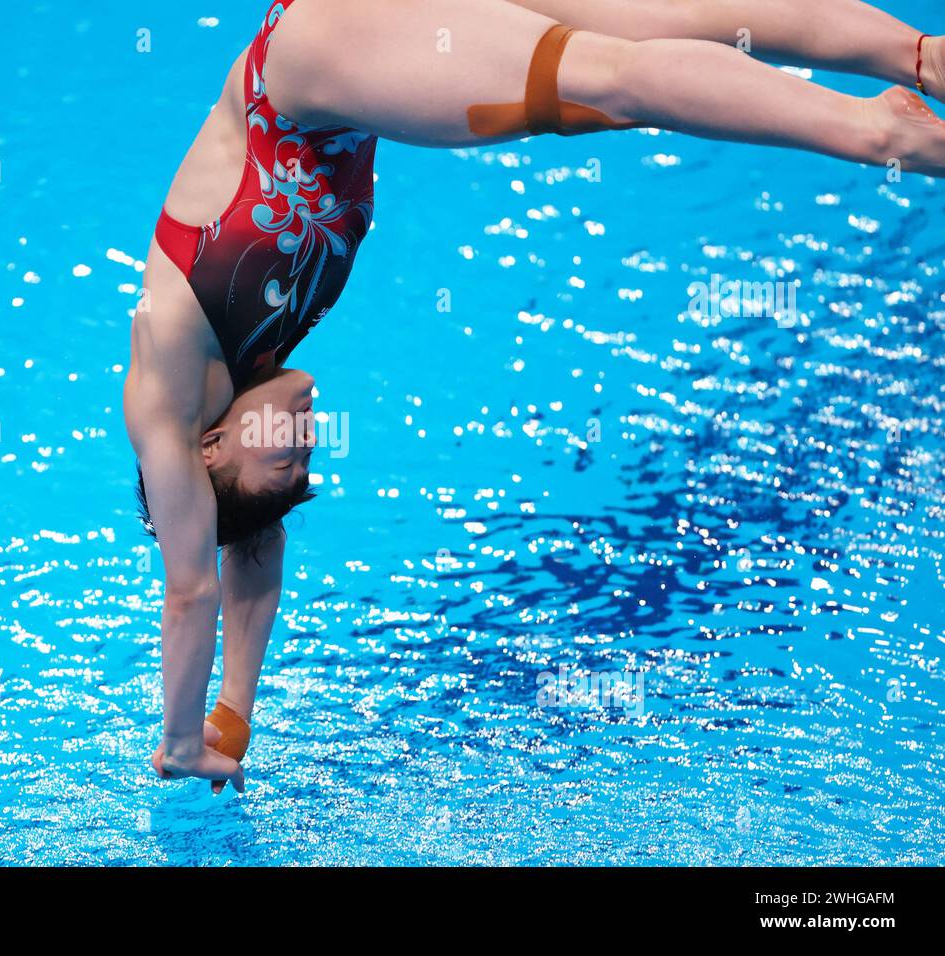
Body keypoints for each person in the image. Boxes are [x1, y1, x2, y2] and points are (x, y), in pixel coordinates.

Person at [122, 0, 945, 794]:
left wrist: (182, 740)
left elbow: (194, 586)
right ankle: (916, 56)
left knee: (615, 79)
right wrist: (236, 715)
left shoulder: (161, 392)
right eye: (302, 468)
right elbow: (254, 552)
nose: (303, 446)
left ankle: (877, 131)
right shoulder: (247, 375)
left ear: (209, 451)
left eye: (279, 464)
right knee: (658, 33)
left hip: (305, 66)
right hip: (344, 65)